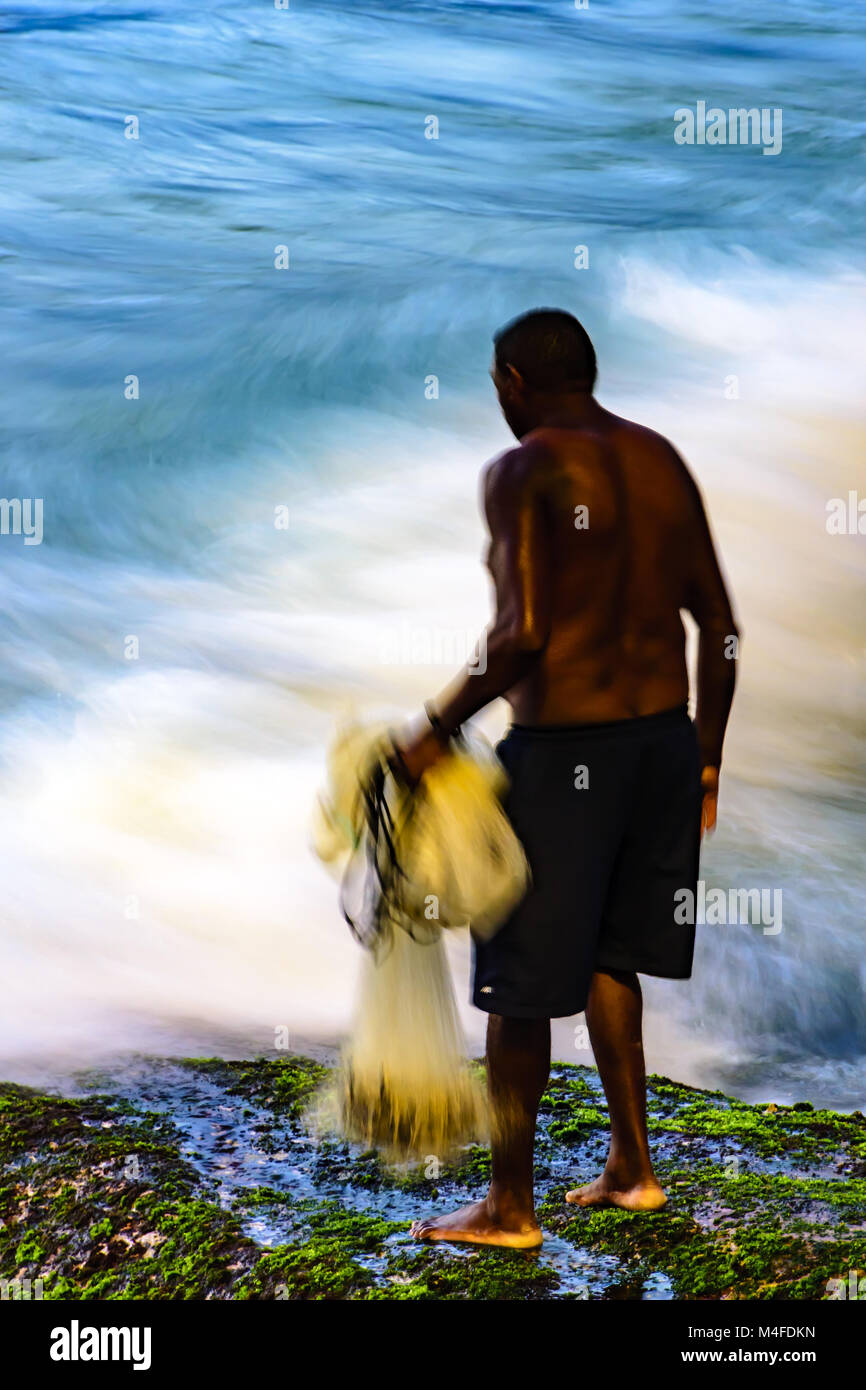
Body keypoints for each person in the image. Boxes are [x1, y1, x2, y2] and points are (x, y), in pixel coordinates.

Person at [397, 308, 739, 1249]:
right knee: (606, 954)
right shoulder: (661, 458)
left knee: (516, 982)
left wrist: (433, 731)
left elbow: (524, 636)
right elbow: (719, 623)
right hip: (663, 742)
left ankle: (509, 1209)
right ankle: (634, 1170)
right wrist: (706, 756)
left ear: (512, 382)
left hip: (566, 756)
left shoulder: (522, 467)